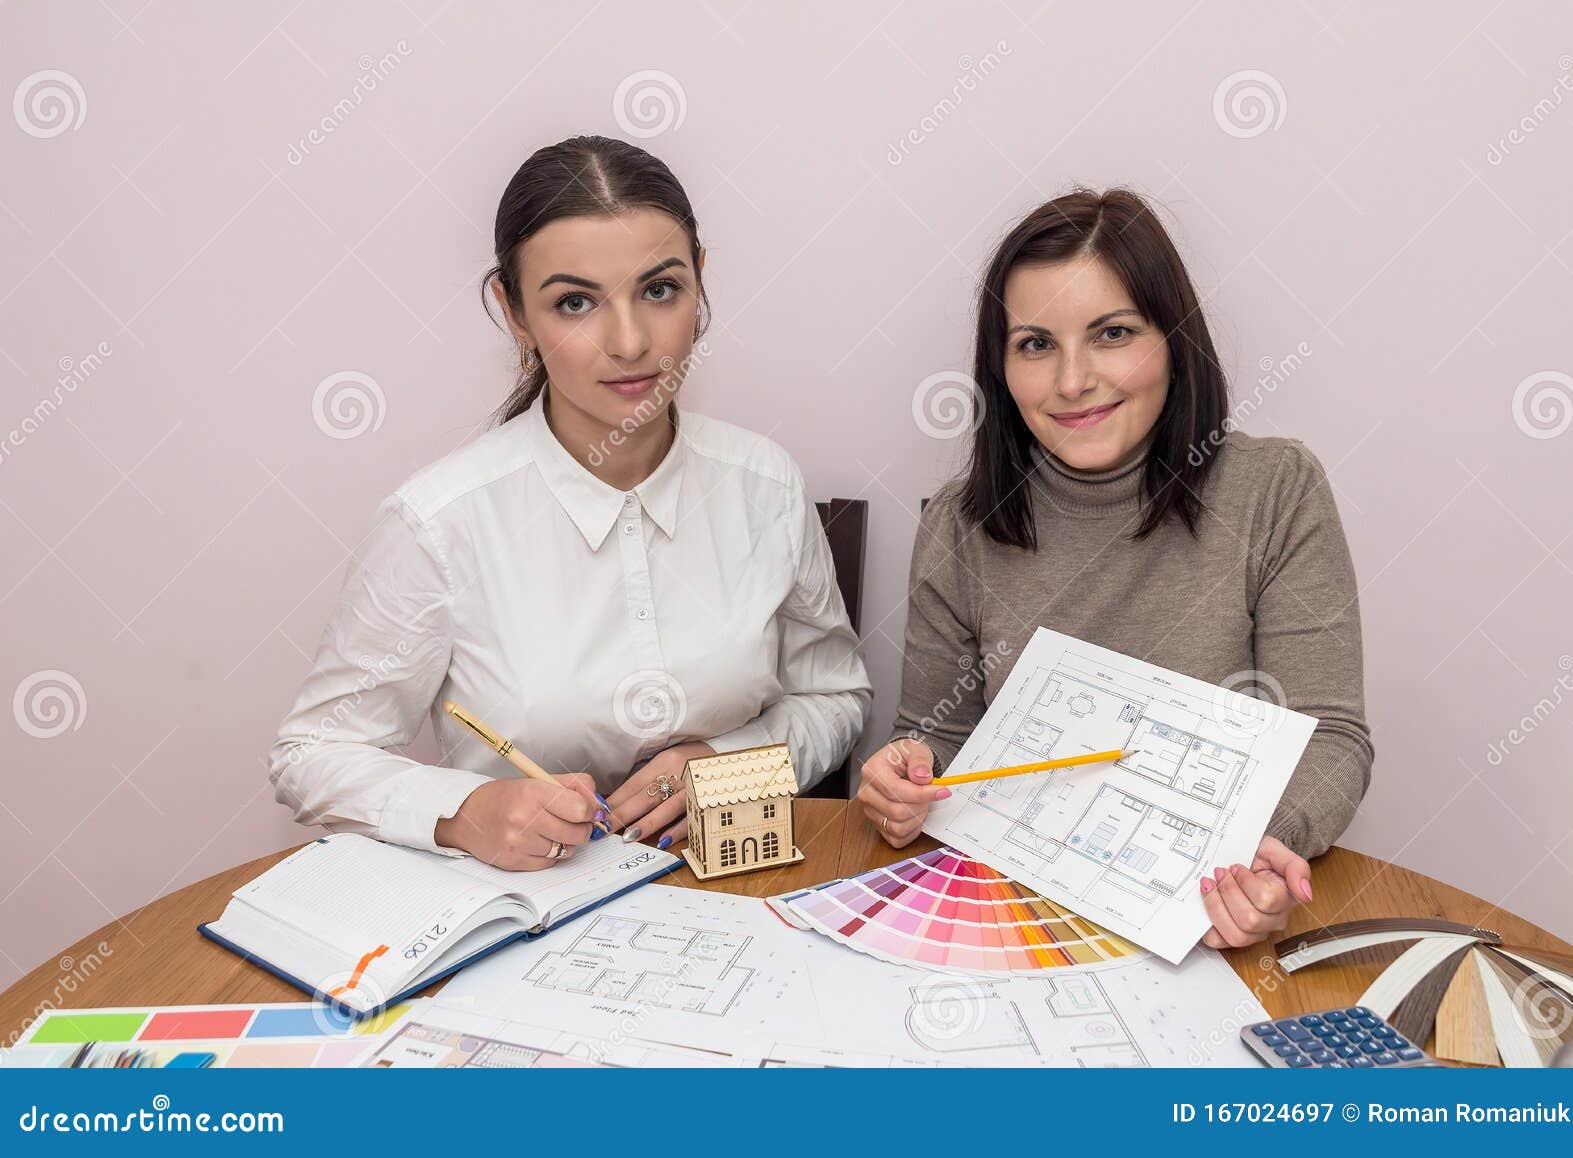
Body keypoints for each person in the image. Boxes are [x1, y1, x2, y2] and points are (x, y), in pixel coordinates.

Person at [269, 135, 870, 869]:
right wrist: (462, 811)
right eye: (575, 302)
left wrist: (731, 762)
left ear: (701, 282)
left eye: (660, 290)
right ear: (514, 312)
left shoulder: (765, 484)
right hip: (526, 910)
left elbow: (836, 697)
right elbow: (312, 751)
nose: (630, 341)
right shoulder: (439, 522)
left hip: (736, 887)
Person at [857, 188, 1372, 950]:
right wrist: (908, 779)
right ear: (1000, 368)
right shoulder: (960, 521)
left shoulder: (1276, 490)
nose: (1073, 381)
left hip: (1205, 911)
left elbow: (1330, 737)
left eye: (1112, 333)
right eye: (1035, 344)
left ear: (1174, 340)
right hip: (1018, 911)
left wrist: (1252, 857)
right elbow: (939, 740)